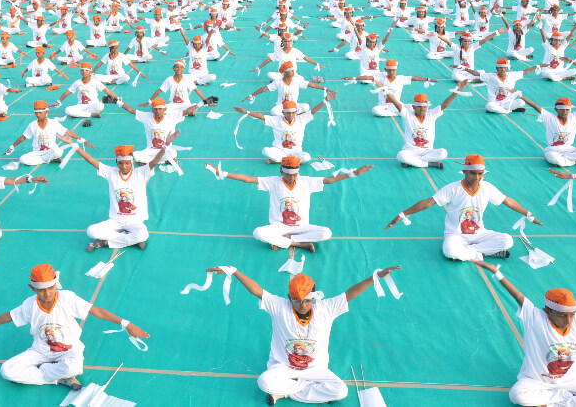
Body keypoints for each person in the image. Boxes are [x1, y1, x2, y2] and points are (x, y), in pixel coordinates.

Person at [205, 268, 399, 405]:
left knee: (341, 391)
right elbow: (256, 290)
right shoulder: (279, 306)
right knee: (263, 382)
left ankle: (283, 393)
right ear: (290, 298)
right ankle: (306, 392)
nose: (302, 305)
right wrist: (235, 271)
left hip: (315, 369)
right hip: (283, 367)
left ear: (314, 296)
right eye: (297, 300)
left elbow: (350, 293)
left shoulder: (326, 308)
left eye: (307, 300)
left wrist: (375, 277)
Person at [474, 242, 576, 407]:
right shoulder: (535, 317)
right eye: (562, 316)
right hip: (536, 382)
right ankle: (565, 399)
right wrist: (497, 273)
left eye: (571, 315)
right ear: (547, 311)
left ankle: (553, 401)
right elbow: (518, 296)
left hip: (570, 382)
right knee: (517, 396)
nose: (568, 320)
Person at [0, 263, 149, 390]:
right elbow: (8, 316)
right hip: (41, 351)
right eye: (42, 290)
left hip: (69, 351)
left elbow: (96, 311)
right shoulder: (29, 304)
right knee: (6, 370)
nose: (47, 293)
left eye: (50, 288)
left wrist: (127, 324)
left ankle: (53, 373)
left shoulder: (67, 298)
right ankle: (58, 379)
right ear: (33, 288)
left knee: (72, 367)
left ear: (55, 285)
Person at [385, 154, 540, 261]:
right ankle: (484, 254)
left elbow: (508, 201)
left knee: (508, 241)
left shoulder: (487, 187)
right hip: (455, 235)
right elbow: (428, 202)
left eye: (480, 174)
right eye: (473, 174)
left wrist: (529, 215)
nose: (477, 178)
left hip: (479, 234)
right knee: (449, 251)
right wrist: (403, 214)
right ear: (465, 171)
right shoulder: (453, 188)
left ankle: (472, 253)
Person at [204, 157, 372, 251]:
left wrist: (354, 173)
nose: (292, 179)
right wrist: (221, 172)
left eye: (294, 175)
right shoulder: (273, 182)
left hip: (302, 227)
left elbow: (329, 179)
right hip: (279, 226)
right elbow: (248, 179)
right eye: (288, 175)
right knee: (257, 233)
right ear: (281, 171)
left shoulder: (306, 181)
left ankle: (284, 241)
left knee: (326, 233)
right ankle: (298, 243)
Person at [75, 135, 178, 252]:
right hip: (116, 220)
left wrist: (165, 146)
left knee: (143, 234)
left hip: (135, 221)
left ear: (132, 162)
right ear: (117, 163)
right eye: (121, 163)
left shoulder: (141, 173)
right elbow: (91, 160)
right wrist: (74, 145)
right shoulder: (111, 172)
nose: (124, 166)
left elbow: (154, 162)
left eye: (127, 163)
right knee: (91, 231)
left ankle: (105, 242)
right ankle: (130, 239)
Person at [385, 80, 468, 169]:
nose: (422, 109)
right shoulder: (408, 115)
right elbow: (397, 104)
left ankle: (413, 162)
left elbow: (445, 104)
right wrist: (386, 90)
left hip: (427, 152)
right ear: (413, 107)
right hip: (410, 151)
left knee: (443, 153)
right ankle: (429, 164)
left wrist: (457, 91)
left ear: (427, 107)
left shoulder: (432, 114)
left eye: (424, 107)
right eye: (419, 107)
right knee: (400, 155)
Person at [234, 92, 335, 164]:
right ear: (283, 112)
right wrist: (246, 112)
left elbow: (313, 111)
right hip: (279, 150)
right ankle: (288, 160)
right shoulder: (277, 120)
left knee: (307, 157)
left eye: (292, 112)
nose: (290, 115)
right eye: (288, 113)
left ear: (296, 112)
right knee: (265, 151)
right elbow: (262, 117)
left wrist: (325, 100)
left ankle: (278, 161)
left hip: (296, 152)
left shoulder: (302, 118)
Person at [521, 93, 576, 167]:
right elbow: (535, 106)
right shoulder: (549, 117)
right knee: (553, 158)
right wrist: (520, 96)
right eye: (561, 109)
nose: (564, 112)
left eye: (567, 109)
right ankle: (574, 161)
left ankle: (566, 160)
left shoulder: (574, 117)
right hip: (553, 150)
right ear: (556, 109)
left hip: (569, 150)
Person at [4, 101, 91, 166]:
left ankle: (51, 158)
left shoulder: (53, 123)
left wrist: (82, 140)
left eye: (40, 112)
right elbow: (23, 137)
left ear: (46, 111)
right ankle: (50, 160)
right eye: (36, 112)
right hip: (37, 153)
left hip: (51, 151)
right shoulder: (32, 125)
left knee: (59, 152)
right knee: (23, 159)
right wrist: (12, 146)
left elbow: (68, 132)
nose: (38, 115)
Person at [51, 63, 120, 118]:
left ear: (90, 72)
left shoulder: (95, 81)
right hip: (81, 105)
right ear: (80, 72)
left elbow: (107, 91)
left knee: (100, 106)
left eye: (86, 70)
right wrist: (58, 102)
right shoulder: (77, 82)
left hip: (93, 105)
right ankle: (91, 115)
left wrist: (117, 98)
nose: (84, 72)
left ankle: (78, 114)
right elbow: (67, 93)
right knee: (67, 110)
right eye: (82, 70)